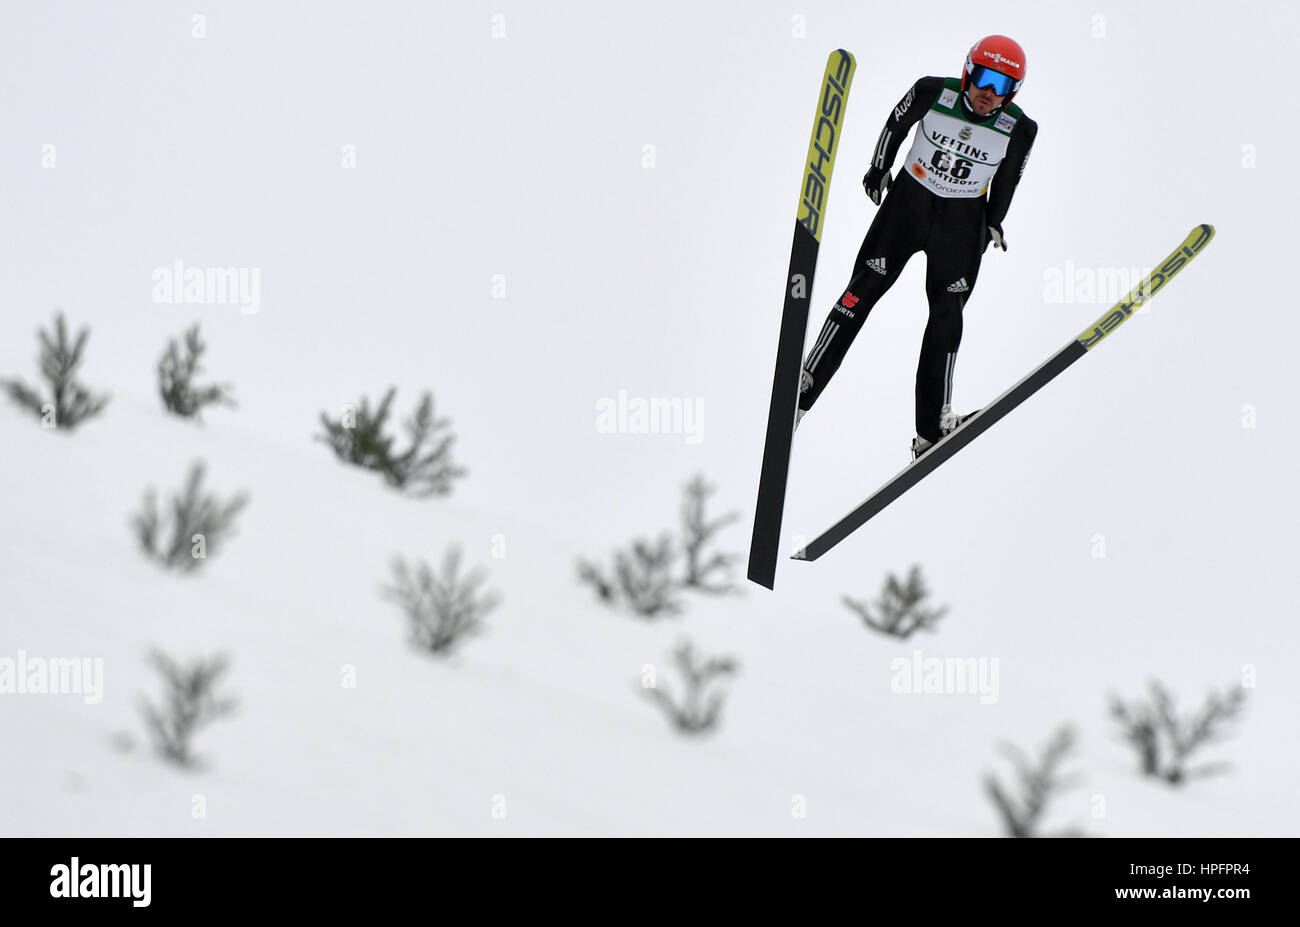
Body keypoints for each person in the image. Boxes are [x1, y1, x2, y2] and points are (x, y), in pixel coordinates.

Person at [795, 35, 1038, 460]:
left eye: (1001, 86)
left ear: (1013, 92)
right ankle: (806, 384)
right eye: (982, 78)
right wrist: (878, 169)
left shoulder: (1020, 128)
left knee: (947, 317)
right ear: (967, 72)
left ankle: (931, 428)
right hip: (908, 207)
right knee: (862, 290)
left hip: (960, 226)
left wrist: (994, 222)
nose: (987, 93)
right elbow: (896, 124)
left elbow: (1009, 178)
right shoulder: (932, 91)